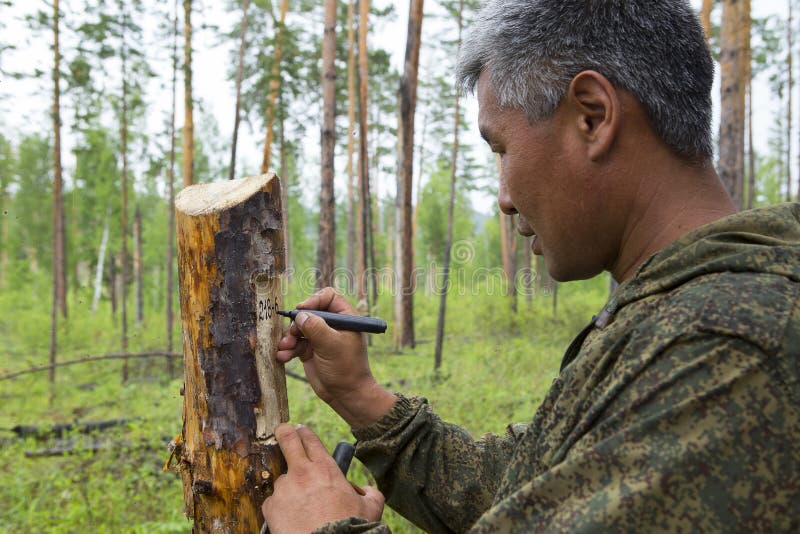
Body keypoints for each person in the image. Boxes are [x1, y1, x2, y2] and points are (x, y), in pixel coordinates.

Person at [262, 0, 800, 531]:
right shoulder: (683, 314)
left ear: (593, 115)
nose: (504, 198)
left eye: (501, 149)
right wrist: (360, 395)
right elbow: (531, 489)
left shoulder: (726, 349)